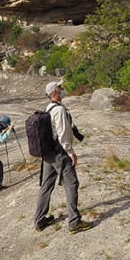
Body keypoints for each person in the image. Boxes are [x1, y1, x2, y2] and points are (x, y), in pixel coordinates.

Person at [34, 80, 93, 233]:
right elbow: (63, 134)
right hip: (59, 153)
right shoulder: (59, 110)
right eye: (60, 88)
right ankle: (74, 222)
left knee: (46, 185)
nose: (63, 89)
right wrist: (71, 152)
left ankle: (39, 220)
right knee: (72, 184)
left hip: (48, 154)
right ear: (55, 92)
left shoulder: (48, 108)